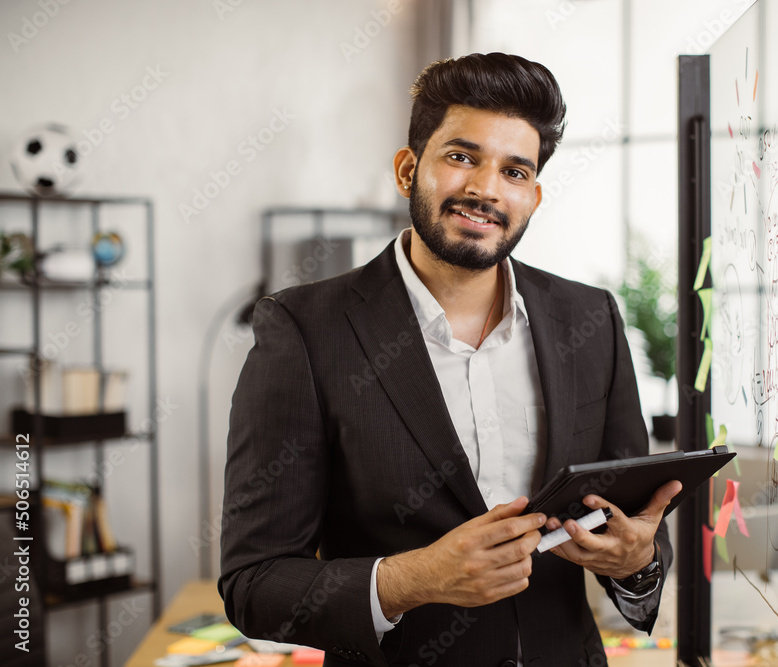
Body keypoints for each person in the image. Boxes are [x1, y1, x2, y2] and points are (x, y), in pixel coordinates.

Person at [219, 52, 681, 667]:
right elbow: (254, 584)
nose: (485, 190)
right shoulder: (305, 329)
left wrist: (638, 562)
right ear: (409, 169)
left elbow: (633, 522)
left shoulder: (590, 319)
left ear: (534, 196)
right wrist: (417, 579)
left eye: (514, 172)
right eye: (462, 157)